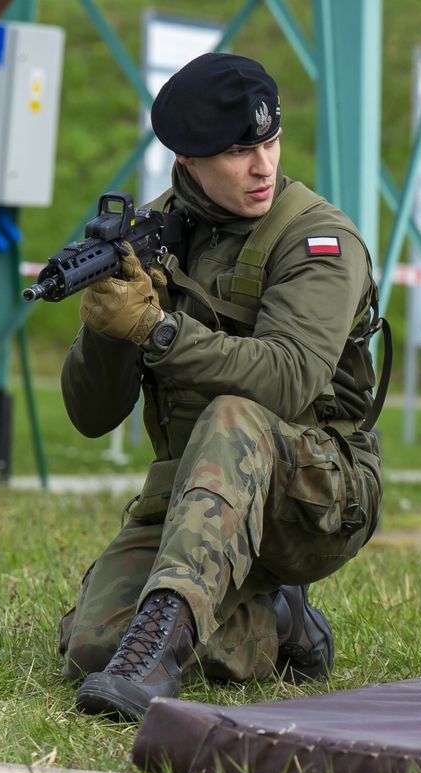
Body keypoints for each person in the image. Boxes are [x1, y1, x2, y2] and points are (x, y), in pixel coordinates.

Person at [57, 52, 383, 721]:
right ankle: (278, 618)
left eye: (270, 142)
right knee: (92, 645)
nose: (263, 166)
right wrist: (107, 327)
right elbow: (91, 415)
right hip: (193, 496)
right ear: (187, 158)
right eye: (238, 152)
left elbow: (288, 379)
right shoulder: (149, 233)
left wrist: (156, 331)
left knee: (236, 412)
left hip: (315, 494)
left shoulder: (318, 238)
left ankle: (156, 655)